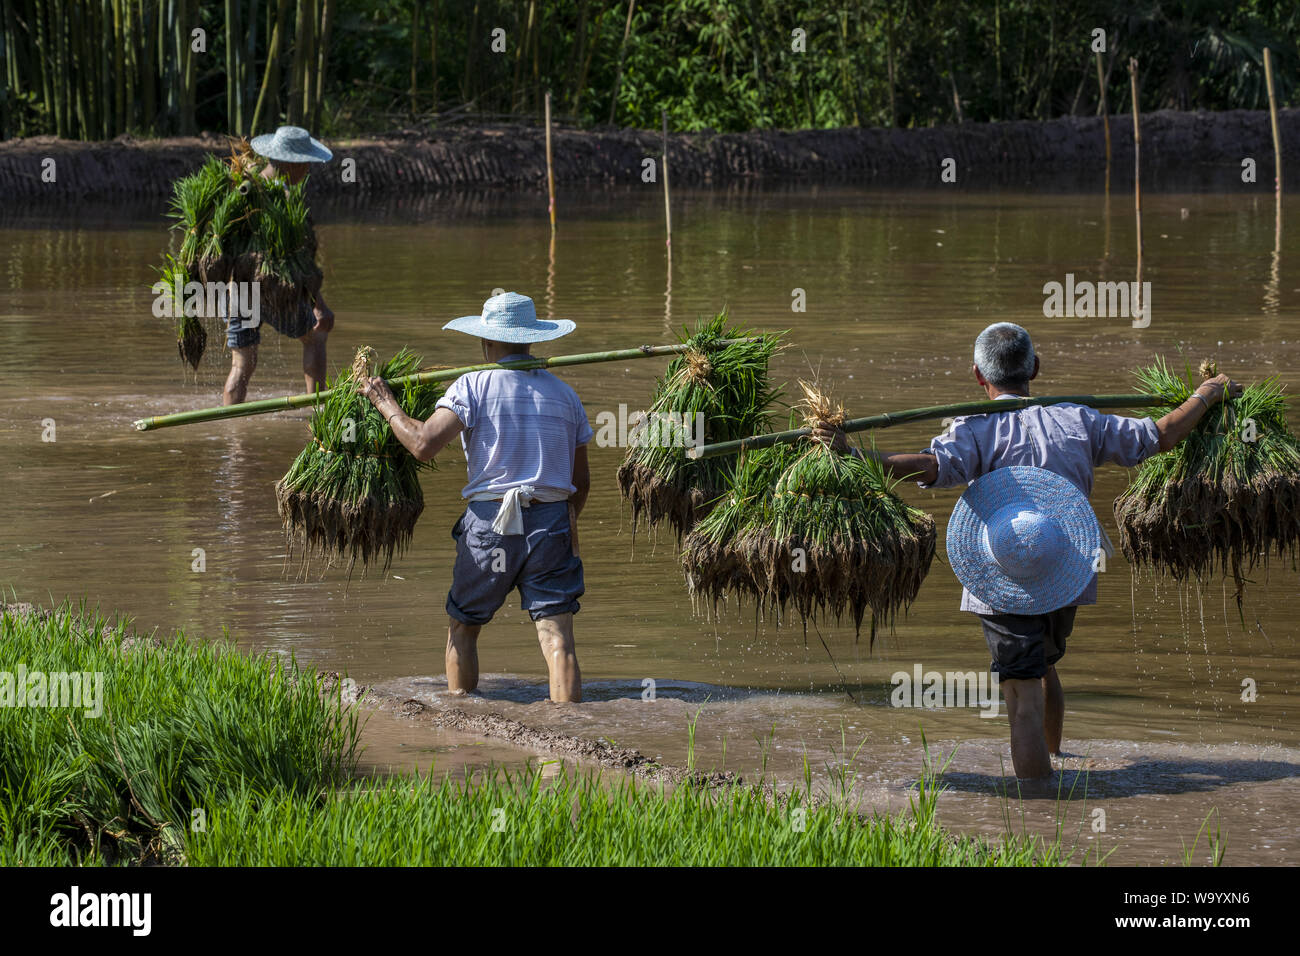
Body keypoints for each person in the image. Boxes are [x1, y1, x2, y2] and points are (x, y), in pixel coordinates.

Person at [813, 322, 1242, 779]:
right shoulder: (1079, 419)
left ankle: (1039, 812)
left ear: (978, 376)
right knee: (1046, 667)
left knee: (1021, 705)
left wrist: (855, 457)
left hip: (1003, 571)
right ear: (1034, 368)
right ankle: (1056, 759)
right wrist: (1208, 394)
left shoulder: (975, 429)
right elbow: (1159, 436)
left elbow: (930, 467)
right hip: (1066, 566)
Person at [358, 292, 592, 703]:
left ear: (487, 343)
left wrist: (385, 402)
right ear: (530, 339)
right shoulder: (565, 396)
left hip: (491, 527)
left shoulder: (473, 385)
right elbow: (581, 483)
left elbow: (423, 443)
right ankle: (570, 739)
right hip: (552, 522)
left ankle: (461, 724)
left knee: (463, 626)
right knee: (558, 639)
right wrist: (564, 525)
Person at [224, 125, 335, 405]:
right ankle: (317, 411)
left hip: (237, 288)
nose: (308, 169)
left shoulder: (245, 186)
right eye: (305, 162)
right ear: (290, 163)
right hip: (273, 290)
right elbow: (300, 261)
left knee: (241, 365)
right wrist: (318, 304)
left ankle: (230, 436)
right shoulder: (285, 200)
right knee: (316, 335)